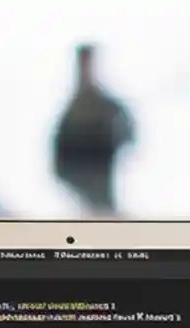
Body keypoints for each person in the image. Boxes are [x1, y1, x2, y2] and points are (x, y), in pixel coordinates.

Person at [52, 44, 135, 214]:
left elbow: (128, 133)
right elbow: (59, 160)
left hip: (102, 185)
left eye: (89, 63)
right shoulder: (73, 111)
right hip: (81, 190)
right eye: (84, 64)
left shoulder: (107, 107)